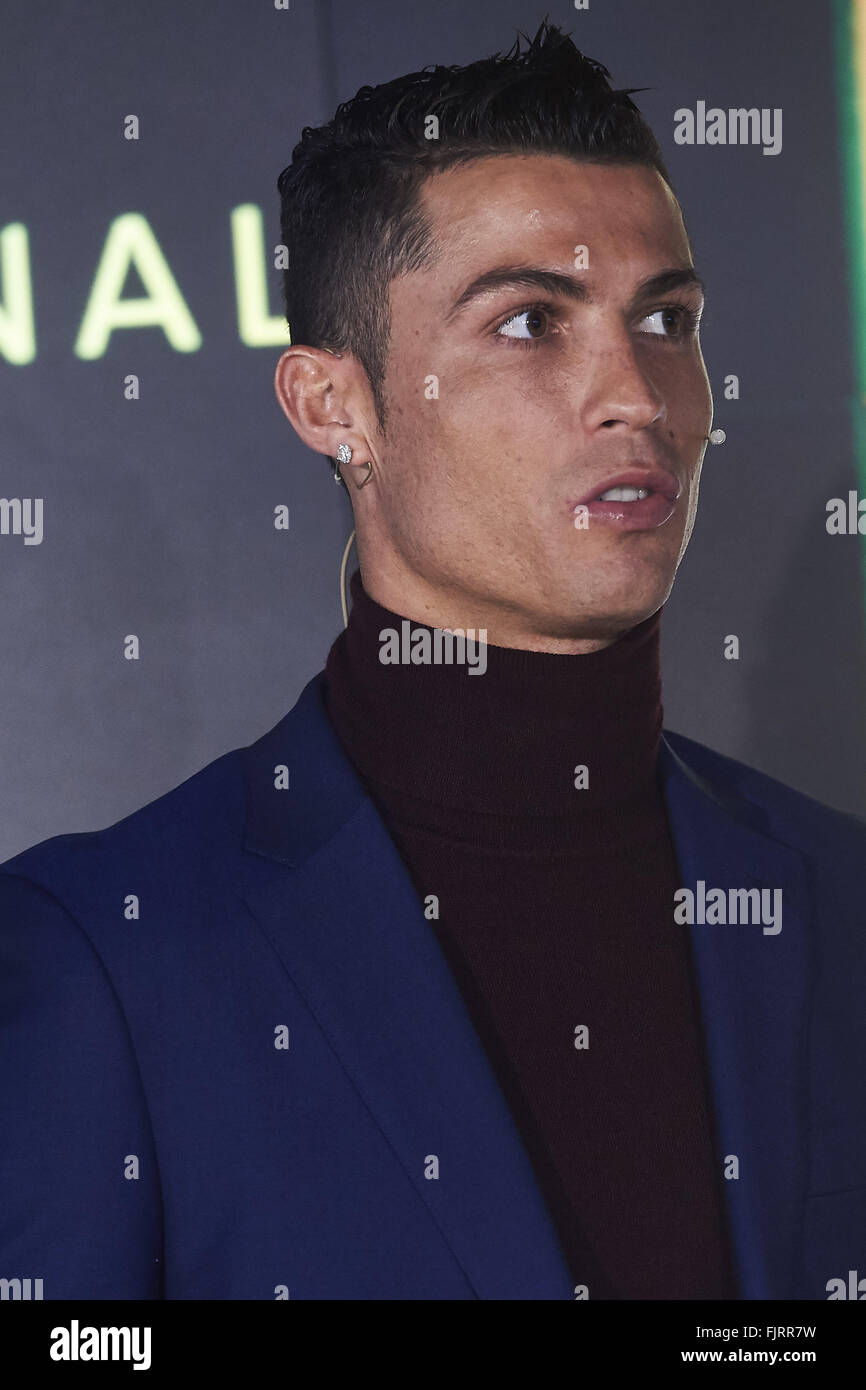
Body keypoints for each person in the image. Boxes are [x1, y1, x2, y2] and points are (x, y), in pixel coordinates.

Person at [1, 20, 864, 1302]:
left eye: (665, 317)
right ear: (330, 405)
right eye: (529, 321)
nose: (634, 392)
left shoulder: (835, 892)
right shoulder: (109, 955)